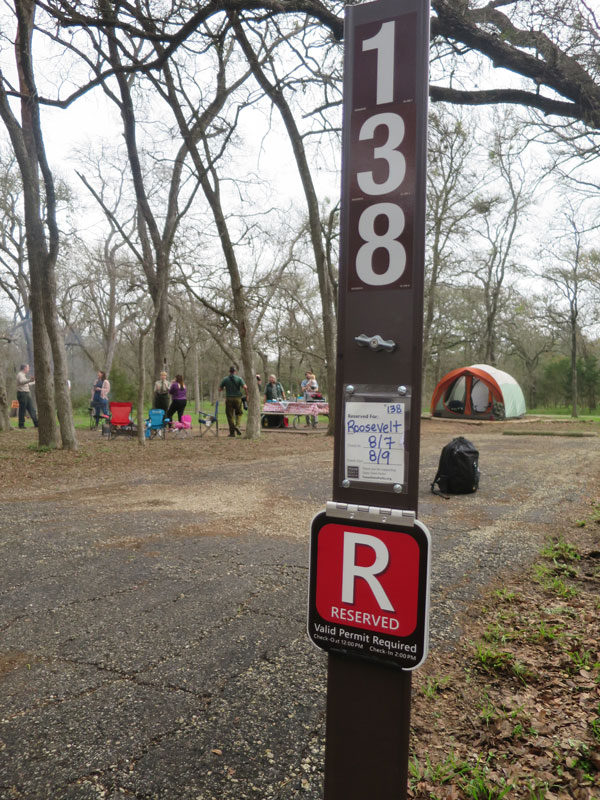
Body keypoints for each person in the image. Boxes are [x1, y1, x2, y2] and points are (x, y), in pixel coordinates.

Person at [219, 365, 247, 437]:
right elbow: (245, 387)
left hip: (229, 398)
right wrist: (247, 395)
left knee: (230, 415)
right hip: (238, 398)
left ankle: (232, 433)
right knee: (239, 413)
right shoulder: (239, 379)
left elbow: (220, 389)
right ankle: (237, 426)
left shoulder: (225, 379)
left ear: (229, 371)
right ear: (235, 372)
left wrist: (224, 388)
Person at [16, 363, 38, 429]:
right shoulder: (20, 374)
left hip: (26, 393)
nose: (28, 369)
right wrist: (29, 380)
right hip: (22, 394)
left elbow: (27, 384)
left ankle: (36, 423)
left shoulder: (23, 375)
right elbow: (22, 382)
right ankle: (21, 425)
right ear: (24, 368)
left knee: (31, 408)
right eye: (28, 368)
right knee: (22, 409)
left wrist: (34, 382)